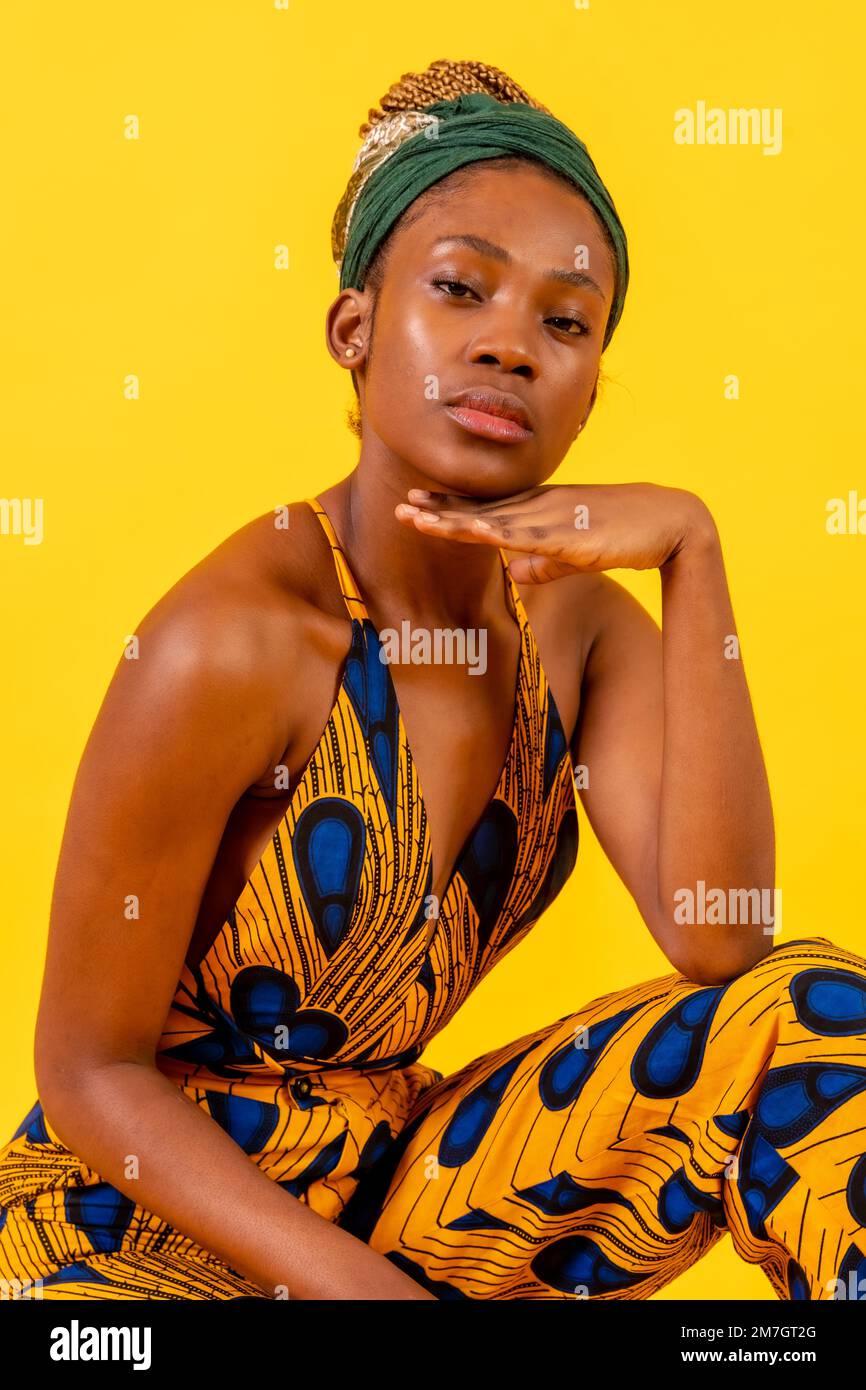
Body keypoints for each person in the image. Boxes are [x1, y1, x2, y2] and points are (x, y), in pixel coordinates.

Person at [1, 57, 865, 1303]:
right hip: (135, 1227)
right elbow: (87, 1073)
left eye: (565, 322)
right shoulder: (236, 635)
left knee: (810, 1016)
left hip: (392, 1187)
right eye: (459, 290)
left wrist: (693, 551)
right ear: (354, 331)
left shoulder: (581, 630)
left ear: (586, 385)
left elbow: (721, 935)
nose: (509, 344)